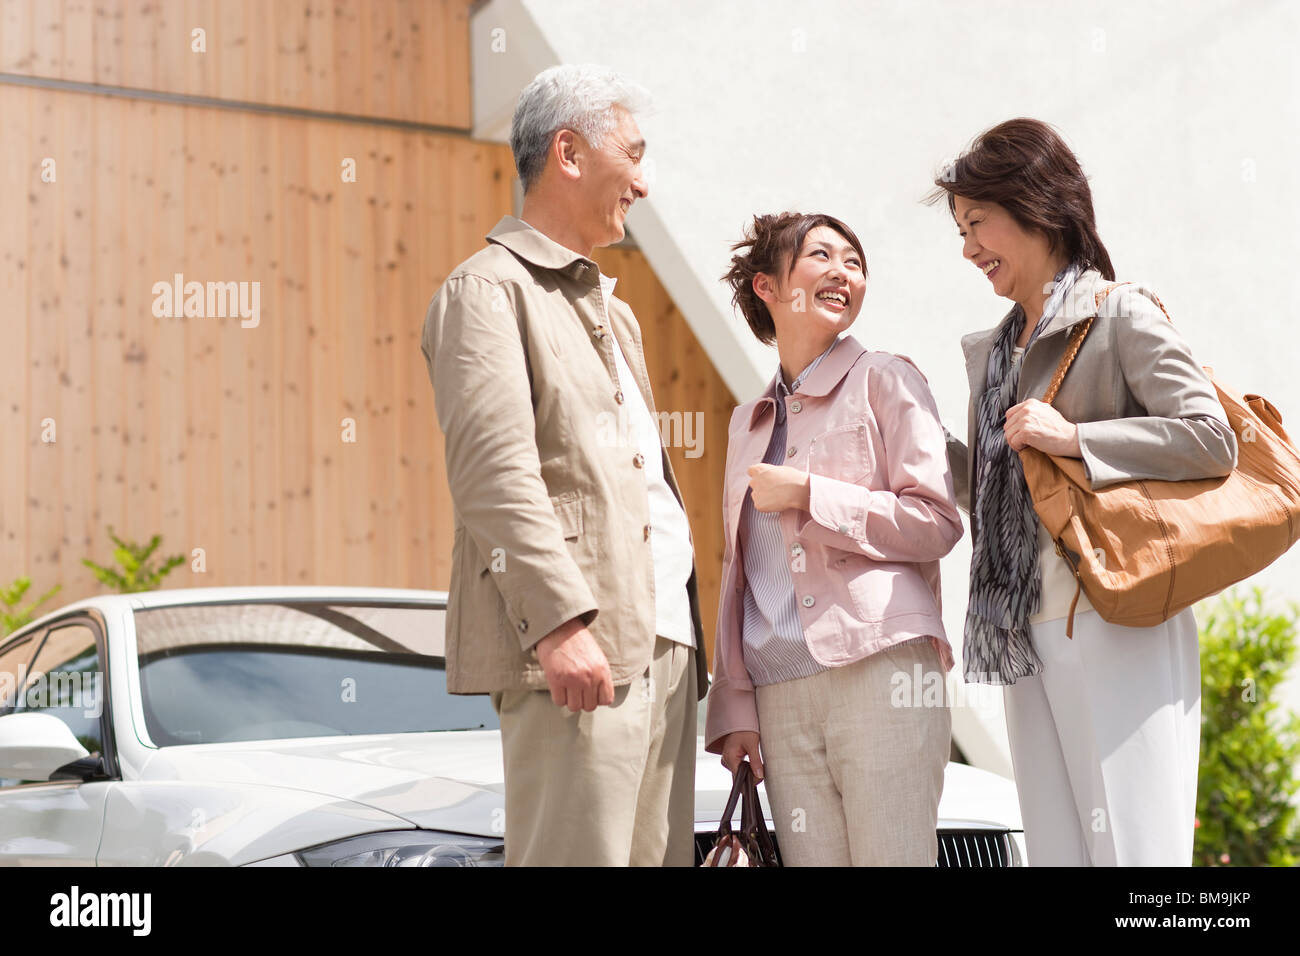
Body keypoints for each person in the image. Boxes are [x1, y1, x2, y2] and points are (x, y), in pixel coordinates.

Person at [928, 118, 1237, 866]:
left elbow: (1211, 437)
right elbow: (1003, 487)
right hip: (1020, 624)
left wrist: (1078, 440)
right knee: (1060, 851)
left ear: (1035, 205)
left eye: (978, 224)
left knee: (1135, 849)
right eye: (962, 230)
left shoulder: (1118, 313)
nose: (968, 249)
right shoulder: (999, 348)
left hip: (1113, 611)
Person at [420, 64, 708, 866]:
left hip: (664, 642)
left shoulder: (613, 312)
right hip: (579, 645)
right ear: (570, 153)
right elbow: (494, 475)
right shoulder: (485, 292)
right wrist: (556, 621)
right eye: (635, 154)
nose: (645, 184)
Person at [704, 212, 963, 866]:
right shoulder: (746, 422)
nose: (845, 272)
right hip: (779, 692)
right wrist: (733, 701)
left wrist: (812, 496)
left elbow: (935, 521)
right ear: (767, 285)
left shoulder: (887, 378)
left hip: (879, 672)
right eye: (823, 256)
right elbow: (738, 574)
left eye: (855, 262)